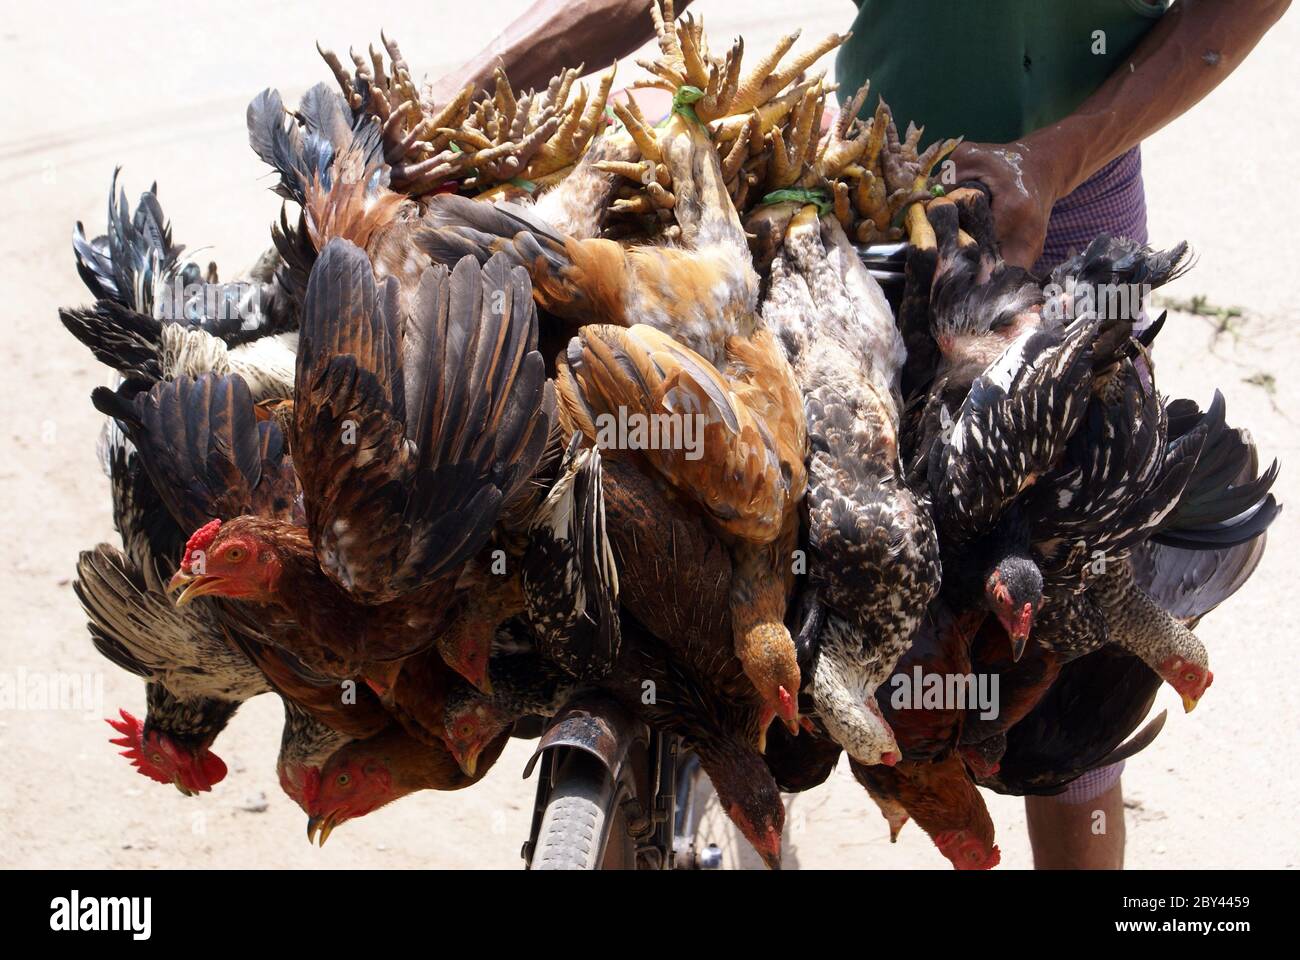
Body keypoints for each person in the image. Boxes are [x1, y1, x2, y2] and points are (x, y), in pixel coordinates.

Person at [428, 0, 1290, 868]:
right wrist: (471, 84)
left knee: (1062, 704)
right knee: (721, 561)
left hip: (1069, 198)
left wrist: (1061, 153)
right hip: (881, 189)